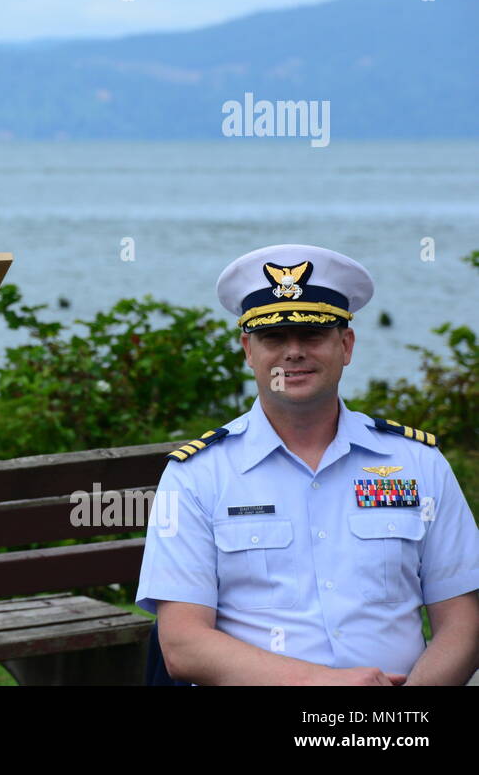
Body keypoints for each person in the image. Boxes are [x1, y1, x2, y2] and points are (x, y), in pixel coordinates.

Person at [136, 244, 479, 685]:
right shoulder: (198, 475)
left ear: (346, 345)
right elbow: (183, 644)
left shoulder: (416, 464)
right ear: (248, 350)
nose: (293, 352)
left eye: (312, 335)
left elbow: (464, 623)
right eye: (274, 338)